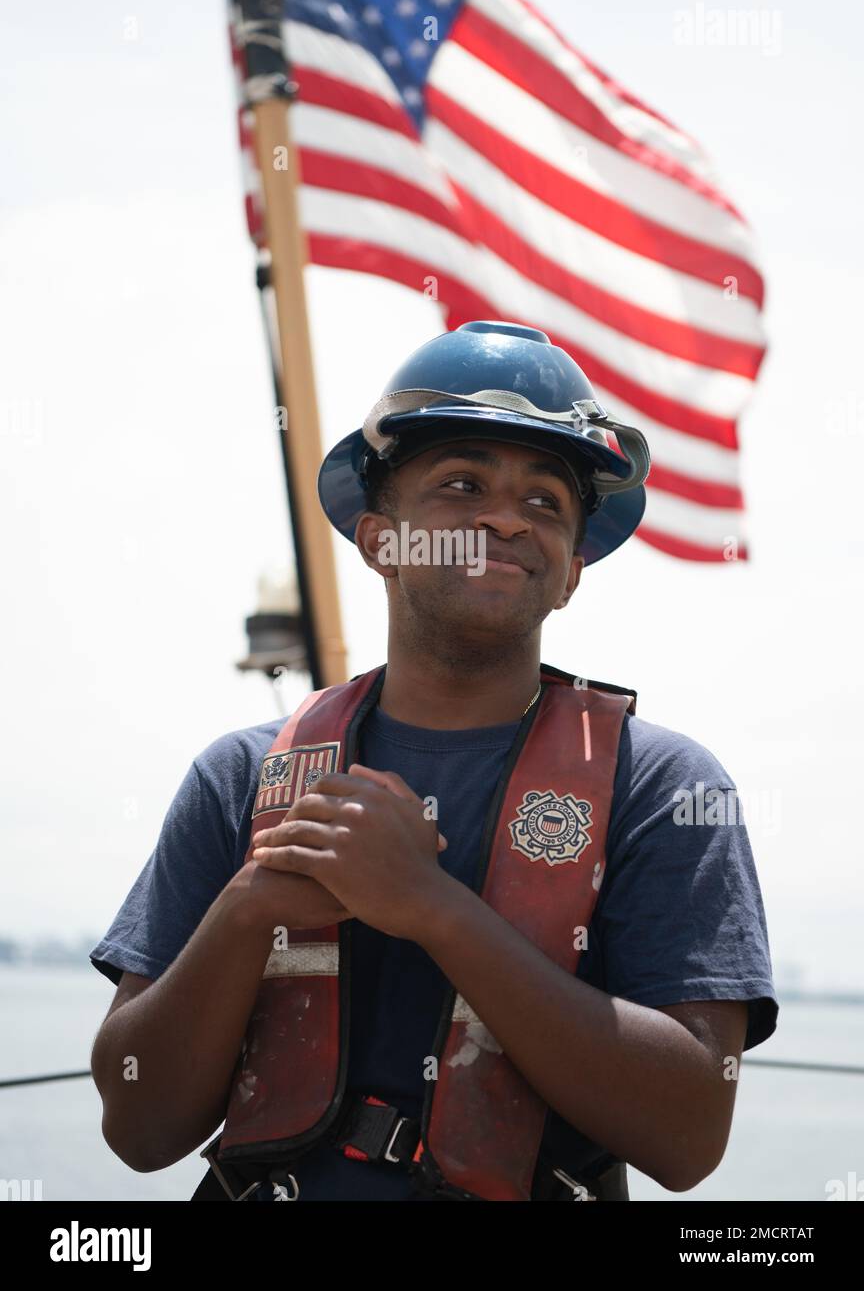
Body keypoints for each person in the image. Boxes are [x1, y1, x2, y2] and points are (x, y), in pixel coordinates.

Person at [89, 320, 778, 1202]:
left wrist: (430, 907)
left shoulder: (662, 788)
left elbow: (686, 1140)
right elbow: (138, 1130)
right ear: (381, 540)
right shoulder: (241, 777)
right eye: (461, 485)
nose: (504, 517)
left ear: (570, 573)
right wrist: (247, 907)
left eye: (545, 504)